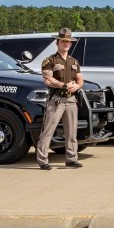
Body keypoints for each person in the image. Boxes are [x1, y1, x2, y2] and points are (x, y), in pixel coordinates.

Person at [36, 28, 84, 170]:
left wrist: (77, 87)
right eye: (63, 41)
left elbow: (80, 80)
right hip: (56, 99)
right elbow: (48, 80)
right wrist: (64, 85)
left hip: (71, 100)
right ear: (57, 42)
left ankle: (71, 159)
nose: (66, 44)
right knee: (48, 131)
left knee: (71, 132)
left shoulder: (74, 61)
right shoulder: (49, 60)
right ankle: (42, 160)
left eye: (69, 42)